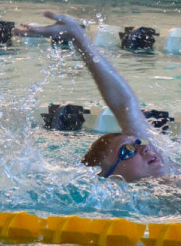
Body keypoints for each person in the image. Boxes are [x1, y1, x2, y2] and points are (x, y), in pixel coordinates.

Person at [16, 12, 168, 183]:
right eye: (128, 151)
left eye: (138, 141)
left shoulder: (169, 168)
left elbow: (124, 104)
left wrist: (78, 37)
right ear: (111, 176)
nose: (145, 147)